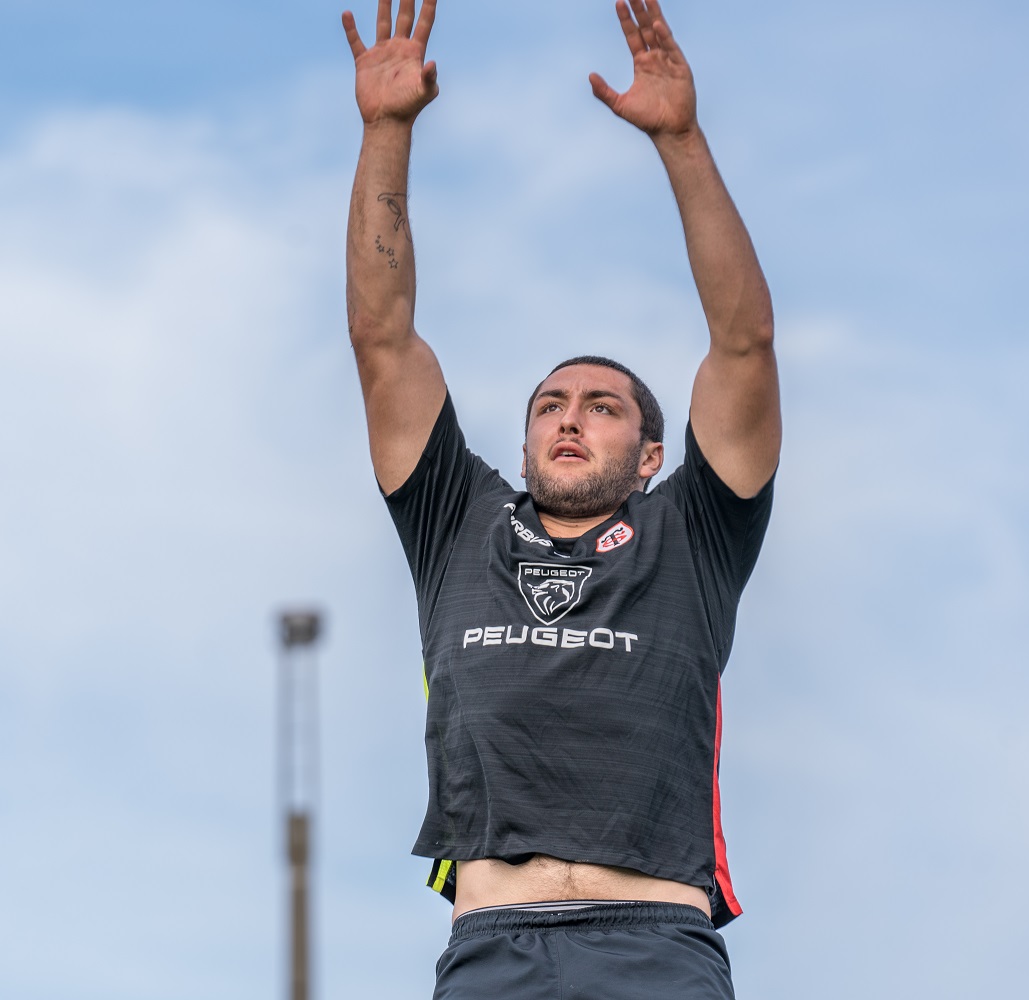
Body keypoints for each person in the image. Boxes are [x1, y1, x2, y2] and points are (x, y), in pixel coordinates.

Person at [342, 0, 780, 996]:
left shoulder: (695, 533)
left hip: (658, 944)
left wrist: (681, 142)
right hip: (494, 948)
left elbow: (744, 345)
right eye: (549, 403)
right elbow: (384, 340)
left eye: (603, 405)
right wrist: (386, 135)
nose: (569, 417)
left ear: (653, 450)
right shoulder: (459, 519)